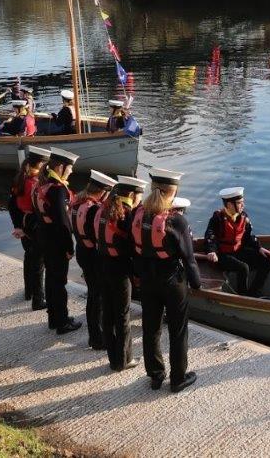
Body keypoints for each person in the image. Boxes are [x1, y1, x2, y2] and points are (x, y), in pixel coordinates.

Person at [132, 168, 201, 393]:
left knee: (150, 328)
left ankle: (155, 374)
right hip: (172, 282)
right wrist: (197, 284)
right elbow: (189, 259)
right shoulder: (176, 220)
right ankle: (178, 378)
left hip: (147, 281)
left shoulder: (137, 214)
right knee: (178, 330)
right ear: (173, 192)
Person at [96, 175, 146, 372]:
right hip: (120, 270)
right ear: (132, 195)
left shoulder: (103, 209)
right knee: (123, 315)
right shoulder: (127, 215)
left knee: (107, 313)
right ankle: (125, 359)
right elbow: (133, 247)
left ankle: (113, 360)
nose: (140, 202)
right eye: (140, 197)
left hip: (102, 264)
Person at [32, 147, 81, 333]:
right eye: (69, 168)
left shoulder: (41, 184)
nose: (71, 171)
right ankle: (62, 322)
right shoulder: (58, 190)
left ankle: (53, 318)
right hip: (57, 242)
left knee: (51, 280)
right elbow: (63, 223)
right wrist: (70, 247)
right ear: (60, 167)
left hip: (44, 237)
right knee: (59, 283)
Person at [71, 169, 117, 349]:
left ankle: (94, 335)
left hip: (81, 250)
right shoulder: (95, 209)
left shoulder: (78, 203)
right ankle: (97, 338)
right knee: (98, 297)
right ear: (104, 192)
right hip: (93, 256)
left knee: (92, 294)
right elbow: (99, 235)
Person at [203, 187, 270, 297]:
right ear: (229, 204)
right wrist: (211, 251)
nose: (243, 205)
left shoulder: (244, 217)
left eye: (243, 202)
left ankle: (254, 292)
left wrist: (259, 248)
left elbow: (249, 236)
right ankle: (243, 297)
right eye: (239, 203)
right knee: (243, 268)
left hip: (238, 252)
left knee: (269, 259)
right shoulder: (217, 218)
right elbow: (210, 236)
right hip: (222, 256)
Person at [8, 146, 49, 307]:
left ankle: (29, 290)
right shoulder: (35, 183)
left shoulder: (20, 178)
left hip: (23, 223)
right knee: (39, 261)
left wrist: (17, 226)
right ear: (40, 165)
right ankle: (39, 298)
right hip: (35, 224)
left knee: (29, 256)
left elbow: (11, 204)